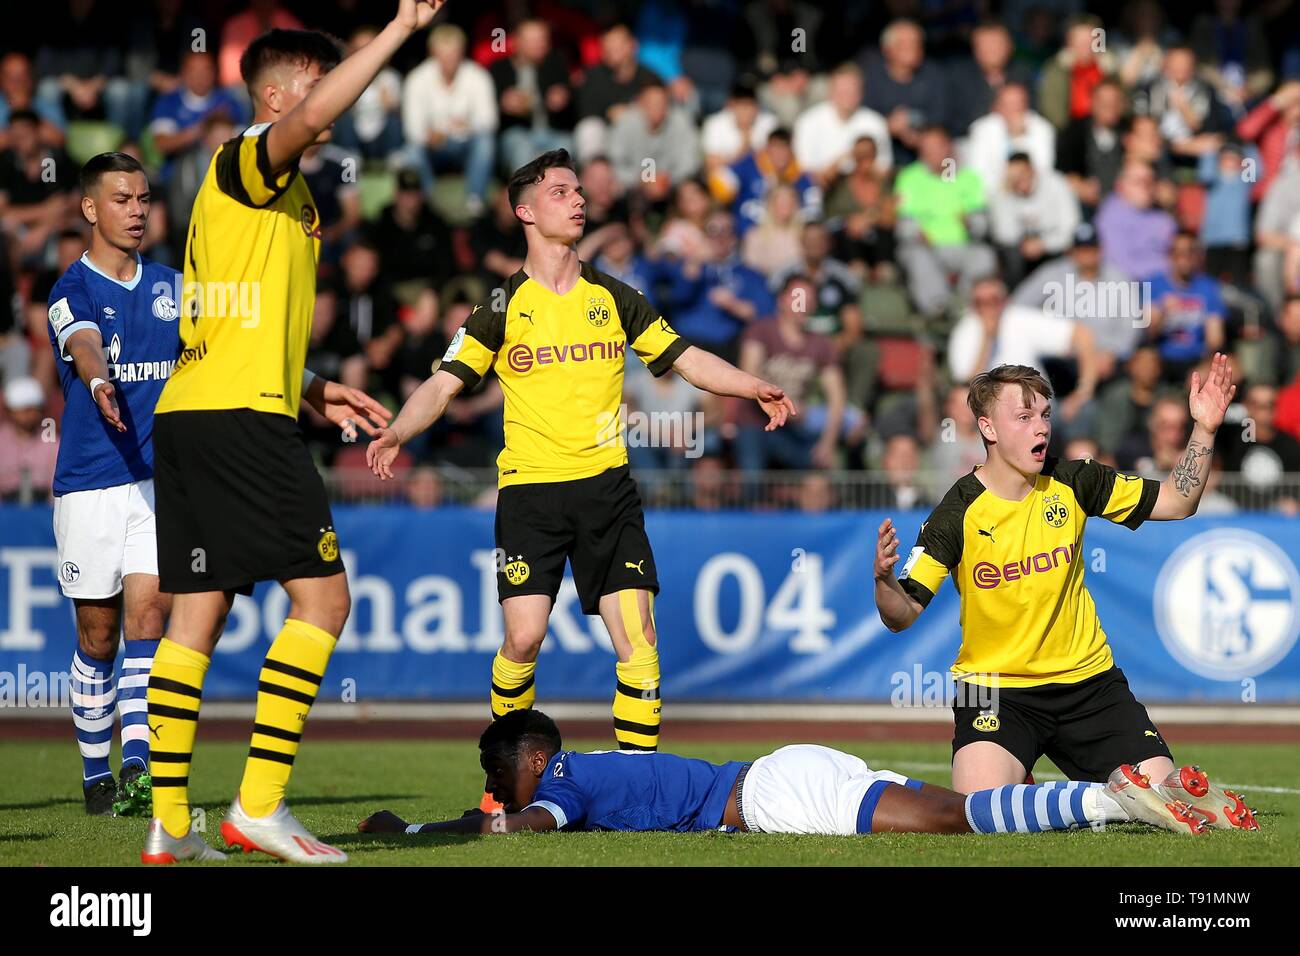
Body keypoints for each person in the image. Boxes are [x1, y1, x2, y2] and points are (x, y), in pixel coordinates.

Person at [367, 149, 794, 790]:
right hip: (531, 494)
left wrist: (751, 384)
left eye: (578, 191)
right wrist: (399, 430)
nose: (578, 200)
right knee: (524, 639)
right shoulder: (502, 303)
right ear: (525, 212)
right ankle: (506, 780)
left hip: (607, 490)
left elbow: (684, 356)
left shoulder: (614, 295)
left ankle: (640, 788)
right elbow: (445, 383)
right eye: (561, 192)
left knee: (640, 643)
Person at [140, 3, 431, 866]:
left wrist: (313, 388)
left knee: (196, 618)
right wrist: (399, 31)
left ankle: (170, 827)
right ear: (274, 96)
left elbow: (229, 319)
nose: (327, 97)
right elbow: (308, 119)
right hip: (239, 420)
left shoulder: (280, 192)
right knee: (324, 602)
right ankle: (258, 806)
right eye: (314, 80)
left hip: (197, 413)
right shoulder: (248, 158)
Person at [872, 361, 1259, 833]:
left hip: (1089, 685)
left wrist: (1204, 428)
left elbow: (1178, 501)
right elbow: (902, 614)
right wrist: (884, 581)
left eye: (1045, 416)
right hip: (991, 689)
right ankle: (1090, 793)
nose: (1041, 428)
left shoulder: (1075, 480)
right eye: (1024, 417)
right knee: (979, 813)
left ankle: (1098, 792)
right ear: (988, 428)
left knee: (1165, 802)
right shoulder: (956, 512)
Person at [357, 709, 1222, 837]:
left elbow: (527, 825)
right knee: (963, 807)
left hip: (771, 796)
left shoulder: (563, 784)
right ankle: (1122, 798)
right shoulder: (585, 764)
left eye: (497, 771)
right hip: (785, 771)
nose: (495, 786)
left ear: (531, 759)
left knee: (959, 819)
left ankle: (1110, 800)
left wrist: (422, 830)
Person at [43, 153, 179, 818]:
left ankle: (137, 763)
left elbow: (232, 352)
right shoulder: (71, 289)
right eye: (122, 199)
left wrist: (312, 389)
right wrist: (97, 379)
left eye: (144, 199)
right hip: (89, 484)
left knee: (148, 617)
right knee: (97, 638)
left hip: (156, 484)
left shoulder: (176, 288)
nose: (137, 210)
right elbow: (85, 343)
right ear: (91, 208)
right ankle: (96, 773)